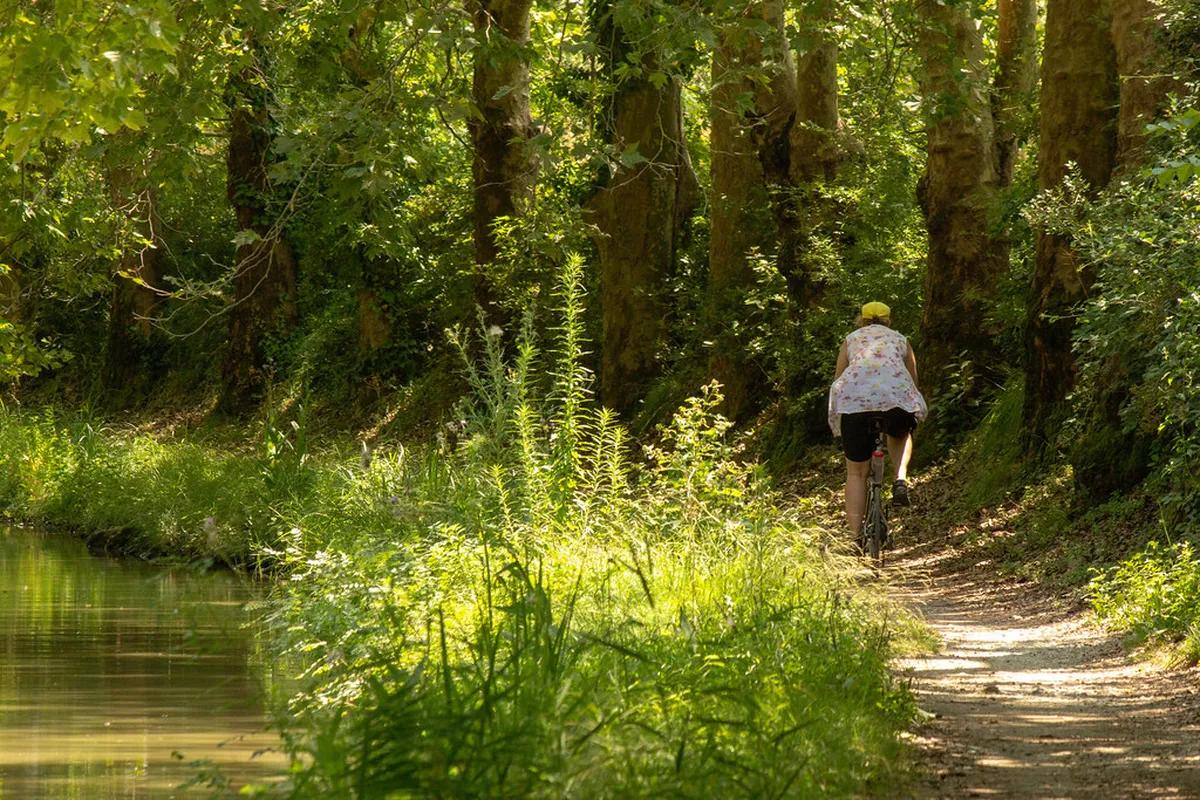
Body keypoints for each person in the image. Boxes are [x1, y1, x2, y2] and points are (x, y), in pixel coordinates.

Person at [828, 301, 927, 543]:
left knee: (856, 473)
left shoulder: (851, 340)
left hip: (855, 405)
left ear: (861, 320)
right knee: (900, 433)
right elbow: (912, 380)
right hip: (894, 401)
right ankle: (900, 479)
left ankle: (854, 537)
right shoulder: (901, 340)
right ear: (888, 320)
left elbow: (838, 377)